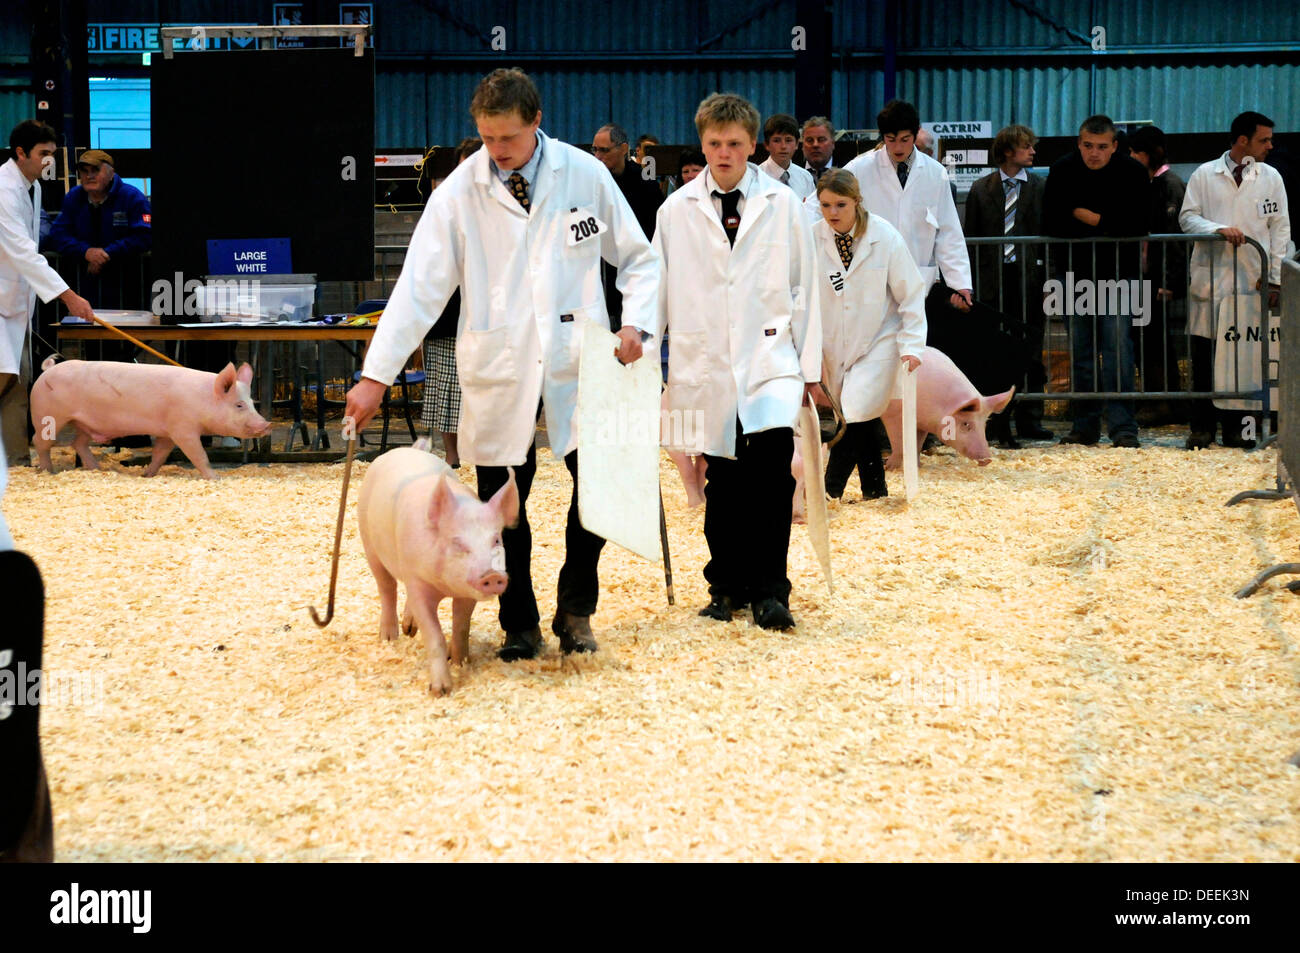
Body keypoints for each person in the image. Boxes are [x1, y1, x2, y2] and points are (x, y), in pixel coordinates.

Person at [345, 68, 659, 660]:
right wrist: (374, 376)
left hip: (578, 356)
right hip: (499, 361)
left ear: (537, 122)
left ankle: (576, 608)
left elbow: (639, 260)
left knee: (597, 491)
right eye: (487, 138)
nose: (498, 151)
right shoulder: (460, 192)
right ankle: (519, 622)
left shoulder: (585, 174)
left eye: (508, 138)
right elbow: (418, 289)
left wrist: (635, 322)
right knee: (499, 505)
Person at [654, 92, 823, 631]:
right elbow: (655, 288)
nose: (723, 153)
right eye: (713, 144)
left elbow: (807, 288)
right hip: (705, 363)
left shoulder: (785, 206)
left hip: (769, 359)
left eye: (733, 144)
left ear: (752, 145)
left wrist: (810, 369)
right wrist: (639, 349)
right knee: (721, 481)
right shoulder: (674, 211)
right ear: (701, 144)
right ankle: (725, 586)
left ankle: (772, 590)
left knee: (773, 478)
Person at [1179, 111, 1291, 449]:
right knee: (1204, 358)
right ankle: (1201, 429)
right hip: (1210, 282)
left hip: (1250, 284)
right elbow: (1188, 217)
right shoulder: (1204, 174)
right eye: (1264, 139)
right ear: (1243, 141)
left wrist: (1275, 278)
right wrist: (1216, 230)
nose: (1270, 145)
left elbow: (1279, 229)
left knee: (1246, 363)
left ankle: (1240, 431)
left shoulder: (1271, 177)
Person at [814, 170, 927, 500]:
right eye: (825, 205)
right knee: (855, 416)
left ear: (857, 202)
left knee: (855, 409)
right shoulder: (811, 238)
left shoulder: (885, 236)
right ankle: (875, 489)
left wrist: (912, 344)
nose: (832, 213)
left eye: (840, 204)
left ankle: (828, 491)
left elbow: (911, 292)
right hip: (834, 343)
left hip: (880, 338)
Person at [1043, 114, 1149, 448]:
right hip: (1075, 275)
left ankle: (1123, 427)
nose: (1094, 153)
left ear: (1115, 146)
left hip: (1119, 274)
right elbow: (1052, 223)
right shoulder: (1062, 169)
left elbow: (1139, 223)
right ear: (1079, 142)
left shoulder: (1132, 172)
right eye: (1088, 145)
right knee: (1081, 352)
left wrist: (1086, 215)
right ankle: (1085, 425)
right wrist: (1110, 222)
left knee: (1119, 350)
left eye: (1102, 147)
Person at [0, 120, 95, 466]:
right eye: (43, 154)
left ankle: (14, 459)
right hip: (3, 294)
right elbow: (22, 251)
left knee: (18, 379)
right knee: (5, 376)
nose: (48, 162)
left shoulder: (32, 187)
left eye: (52, 155)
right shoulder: (3, 188)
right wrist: (67, 294)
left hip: (15, 298)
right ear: (20, 153)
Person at [832, 101, 973, 313]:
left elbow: (948, 231)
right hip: (871, 281)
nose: (898, 147)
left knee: (915, 342)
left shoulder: (935, 173)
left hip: (918, 281)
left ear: (916, 134)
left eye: (905, 140)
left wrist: (959, 282)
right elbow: (820, 204)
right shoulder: (859, 168)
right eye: (891, 140)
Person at [964, 124, 1054, 441]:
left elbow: (1047, 236)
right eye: (1025, 146)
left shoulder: (1041, 187)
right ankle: (995, 418)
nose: (1032, 151)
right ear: (1007, 151)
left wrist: (1047, 276)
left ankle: (1031, 417)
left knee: (1031, 347)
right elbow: (971, 239)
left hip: (1028, 276)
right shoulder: (980, 189)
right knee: (995, 350)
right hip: (993, 278)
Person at [420, 137, 481, 468]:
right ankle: (453, 457)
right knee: (446, 390)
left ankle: (482, 456)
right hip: (446, 313)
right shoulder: (443, 204)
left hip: (486, 319)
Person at [43, 148, 151, 310]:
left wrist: (108, 253)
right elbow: (57, 234)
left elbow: (145, 235)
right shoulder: (74, 197)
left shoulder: (132, 197)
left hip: (128, 284)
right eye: (84, 171)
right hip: (85, 285)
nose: (89, 176)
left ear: (111, 173)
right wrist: (86, 252)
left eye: (95, 170)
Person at [1128, 125, 1186, 423]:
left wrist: (1169, 282)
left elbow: (1175, 239)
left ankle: (1163, 402)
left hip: (1157, 277)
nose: (1131, 157)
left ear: (1147, 154)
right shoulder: (1151, 183)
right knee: (1147, 338)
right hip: (1146, 276)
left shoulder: (1169, 185)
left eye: (1135, 152)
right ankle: (1158, 400)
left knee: (1156, 341)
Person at [592, 123, 663, 327]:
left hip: (635, 260)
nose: (597, 157)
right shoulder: (592, 179)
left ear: (624, 149)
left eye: (604, 150)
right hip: (603, 264)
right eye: (594, 150)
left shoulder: (645, 181)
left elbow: (653, 228)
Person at [759, 113, 815, 199]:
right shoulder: (757, 178)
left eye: (788, 140)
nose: (783, 146)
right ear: (766, 144)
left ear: (796, 144)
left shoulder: (806, 178)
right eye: (777, 140)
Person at [801, 116, 836, 181]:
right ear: (802, 145)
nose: (815, 145)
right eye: (810, 140)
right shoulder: (792, 173)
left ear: (833, 143)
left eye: (821, 140)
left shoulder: (847, 170)